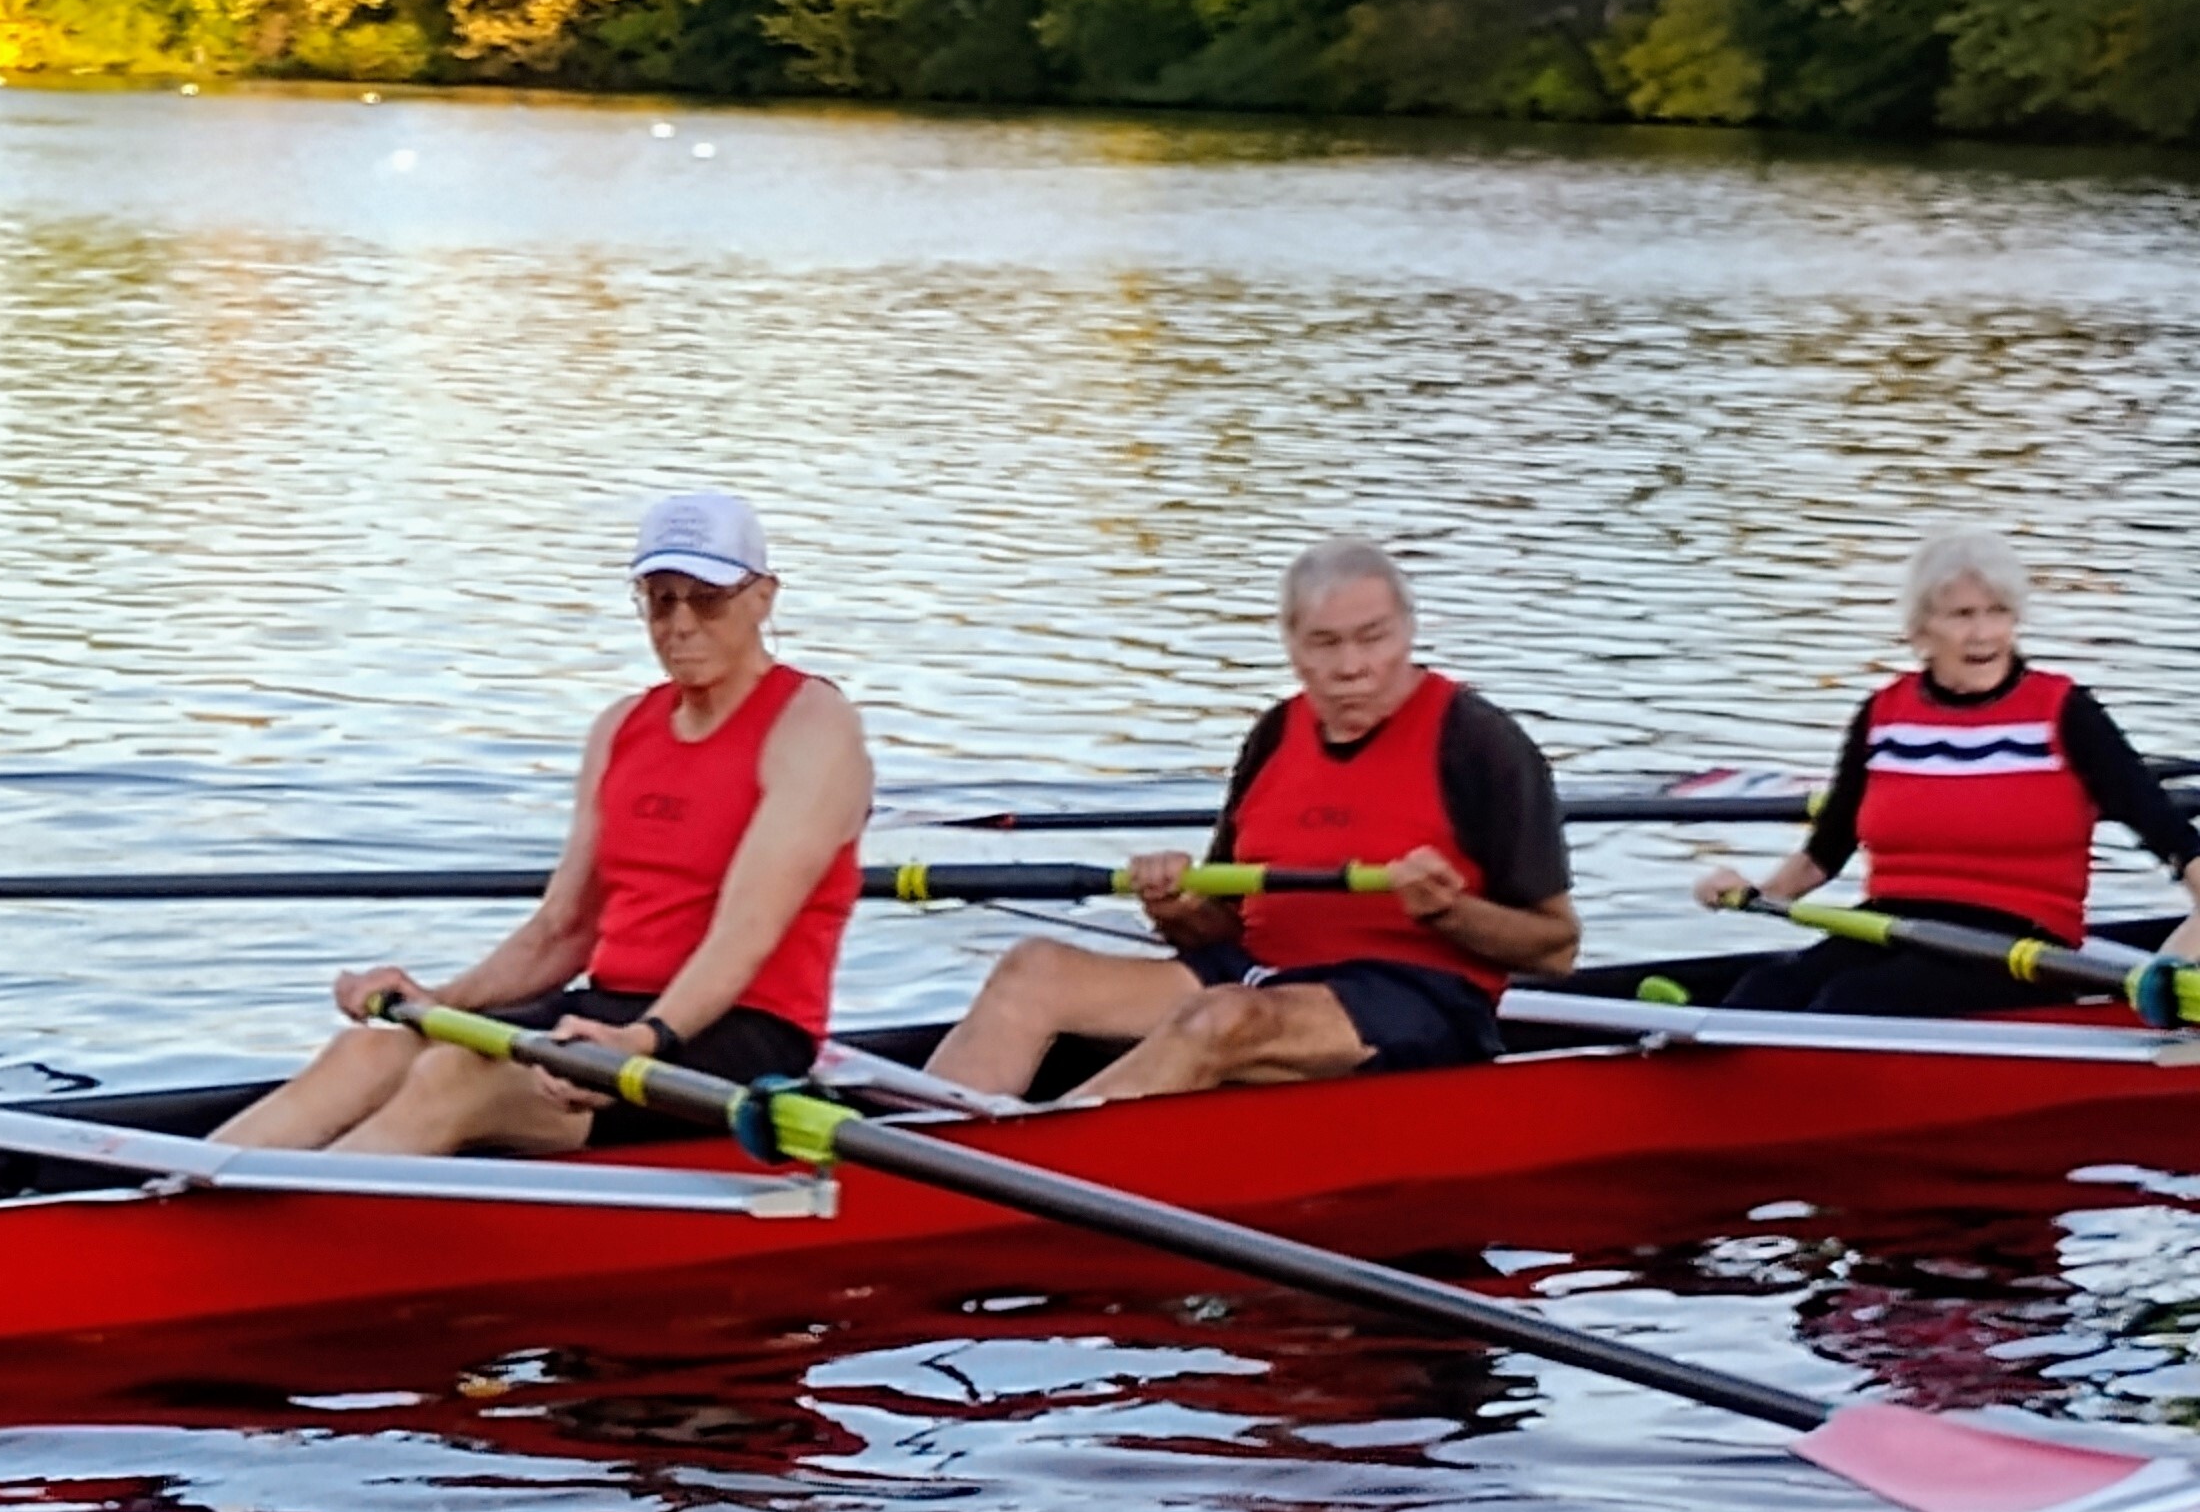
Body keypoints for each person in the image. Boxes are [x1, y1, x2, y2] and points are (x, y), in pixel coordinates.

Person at [213, 491, 873, 1156]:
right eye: (659, 598)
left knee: (455, 1077)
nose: (679, 623)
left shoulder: (812, 726)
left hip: (744, 1038)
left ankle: (266, 1245)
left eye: (706, 599)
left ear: (763, 597)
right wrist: (439, 1000)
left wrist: (643, 1042)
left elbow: (747, 931)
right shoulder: (621, 728)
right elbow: (563, 930)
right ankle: (176, 1208)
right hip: (610, 1013)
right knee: (366, 1052)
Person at [927, 536, 1577, 1103]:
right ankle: (915, 1155)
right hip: (1258, 975)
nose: (1351, 667)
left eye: (1373, 638)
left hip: (1418, 1001)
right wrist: (1176, 908)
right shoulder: (1274, 734)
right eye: (1324, 643)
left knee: (1220, 1019)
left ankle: (1011, 1177)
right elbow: (1223, 928)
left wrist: (1448, 911)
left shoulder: (1479, 744)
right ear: (1291, 645)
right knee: (1034, 968)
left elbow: (1555, 947)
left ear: (1408, 631)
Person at [1693, 524, 2200, 1012]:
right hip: (1891, 924)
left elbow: (2164, 827)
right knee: (1766, 991)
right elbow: (1824, 854)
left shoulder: (2065, 711)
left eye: (1997, 612)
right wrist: (1754, 892)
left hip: (2019, 944)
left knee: (1857, 1002)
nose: (1983, 633)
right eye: (1961, 615)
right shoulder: (1884, 715)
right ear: (1921, 629)